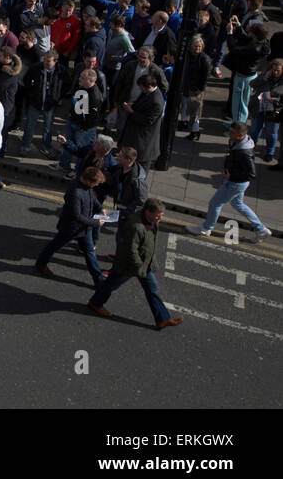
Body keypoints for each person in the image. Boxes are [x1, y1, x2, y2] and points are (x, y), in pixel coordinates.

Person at [88, 198, 183, 329]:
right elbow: (131, 250)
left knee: (152, 289)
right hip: (129, 264)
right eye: (158, 215)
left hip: (142, 263)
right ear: (148, 212)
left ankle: (162, 319)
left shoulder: (151, 221)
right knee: (111, 285)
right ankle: (95, 303)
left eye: (162, 215)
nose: (161, 217)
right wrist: (140, 266)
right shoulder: (136, 227)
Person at [191, 121, 272, 242]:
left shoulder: (245, 152)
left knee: (215, 203)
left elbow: (251, 174)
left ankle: (206, 228)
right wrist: (230, 157)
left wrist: (232, 176)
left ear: (240, 135)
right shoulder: (238, 143)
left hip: (235, 183)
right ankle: (261, 229)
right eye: (230, 130)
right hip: (237, 182)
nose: (229, 134)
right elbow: (237, 157)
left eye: (232, 132)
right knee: (238, 204)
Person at [35, 166, 107, 286]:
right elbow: (76, 216)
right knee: (54, 246)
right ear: (89, 181)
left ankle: (98, 279)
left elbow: (92, 199)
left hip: (84, 228)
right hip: (71, 228)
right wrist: (96, 223)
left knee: (89, 251)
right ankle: (40, 264)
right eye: (96, 184)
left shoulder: (86, 187)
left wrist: (100, 208)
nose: (96, 186)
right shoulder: (75, 192)